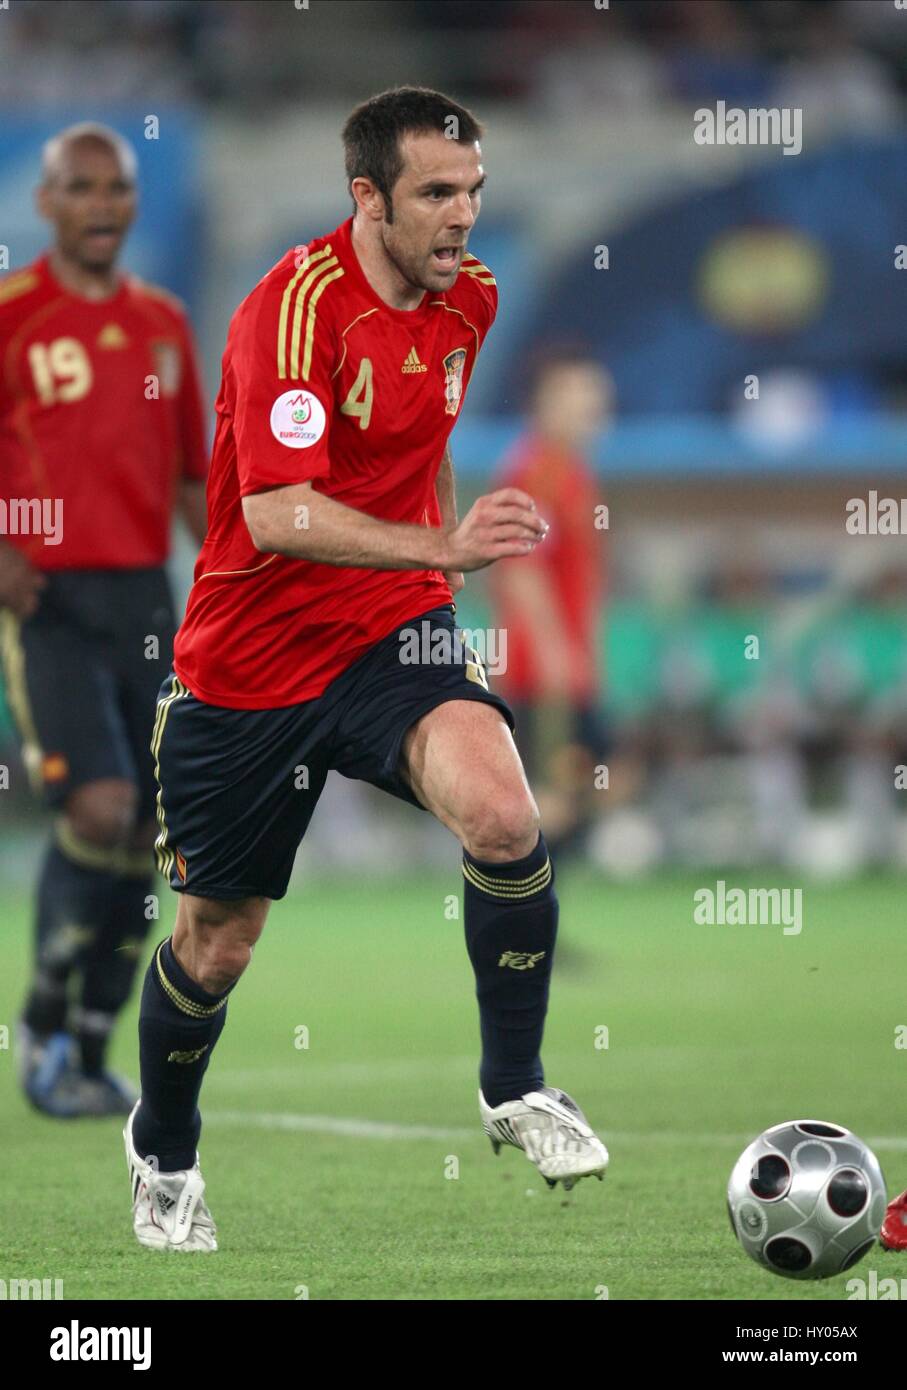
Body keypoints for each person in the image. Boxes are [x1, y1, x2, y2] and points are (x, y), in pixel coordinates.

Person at [123, 86, 608, 1252]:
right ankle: (165, 1149)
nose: (463, 219)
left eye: (475, 193)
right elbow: (279, 512)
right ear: (366, 198)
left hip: (391, 628)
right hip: (248, 665)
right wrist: (440, 544)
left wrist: (429, 574)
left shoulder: (471, 301)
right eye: (437, 195)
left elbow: (411, 453)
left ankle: (514, 1085)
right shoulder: (291, 314)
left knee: (502, 811)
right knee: (216, 941)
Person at [0, 122, 209, 1117]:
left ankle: (84, 1049)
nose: (99, 204)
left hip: (147, 600)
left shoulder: (164, 323)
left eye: (115, 188)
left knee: (149, 839)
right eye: (79, 187)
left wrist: (241, 581)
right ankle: (40, 1020)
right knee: (99, 805)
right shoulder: (10, 315)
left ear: (132, 202)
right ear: (47, 202)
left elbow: (192, 481)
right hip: (47, 599)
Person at [490, 349, 612, 859]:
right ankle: (525, 924)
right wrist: (555, 651)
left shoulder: (571, 471)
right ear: (548, 403)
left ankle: (543, 924)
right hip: (542, 673)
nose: (595, 405)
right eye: (582, 394)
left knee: (590, 786)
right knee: (549, 801)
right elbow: (522, 571)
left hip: (568, 665)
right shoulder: (536, 472)